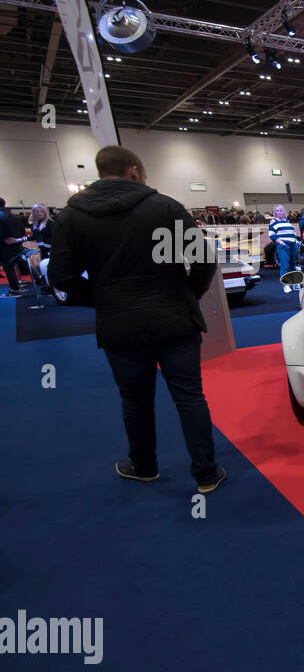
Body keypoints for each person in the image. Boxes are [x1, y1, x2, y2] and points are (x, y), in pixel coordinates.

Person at [48, 145, 224, 491]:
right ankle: (205, 474)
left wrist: (100, 298)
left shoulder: (71, 216)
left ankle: (143, 466)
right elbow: (203, 259)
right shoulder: (165, 207)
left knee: (135, 400)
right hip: (175, 318)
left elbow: (60, 278)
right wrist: (189, 293)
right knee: (189, 396)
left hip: (119, 323)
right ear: (133, 171)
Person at [268, 204, 300, 292]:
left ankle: (294, 283)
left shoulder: (286, 220)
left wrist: (295, 242)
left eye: (280, 210)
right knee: (285, 265)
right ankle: (286, 285)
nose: (279, 212)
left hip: (293, 245)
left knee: (293, 265)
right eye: (277, 211)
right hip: (283, 246)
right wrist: (281, 242)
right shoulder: (273, 221)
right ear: (275, 212)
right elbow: (271, 235)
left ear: (283, 211)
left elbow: (292, 232)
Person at [1, 197, 27, 296]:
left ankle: (14, 289)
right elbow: (23, 232)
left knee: (9, 269)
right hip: (18, 246)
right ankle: (42, 284)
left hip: (5, 248)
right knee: (25, 267)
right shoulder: (14, 217)